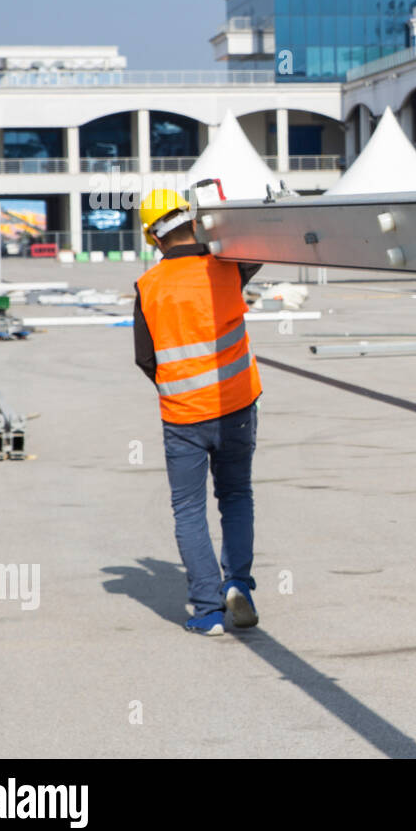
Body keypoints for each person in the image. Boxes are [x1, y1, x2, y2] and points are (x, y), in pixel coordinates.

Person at [133, 189, 264, 636]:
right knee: (235, 496)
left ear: (152, 237)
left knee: (188, 509)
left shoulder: (148, 286)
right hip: (237, 406)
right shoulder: (227, 265)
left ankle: (208, 611)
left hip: (184, 415)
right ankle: (239, 586)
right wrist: (219, 218)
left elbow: (145, 358)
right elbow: (258, 241)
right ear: (193, 220)